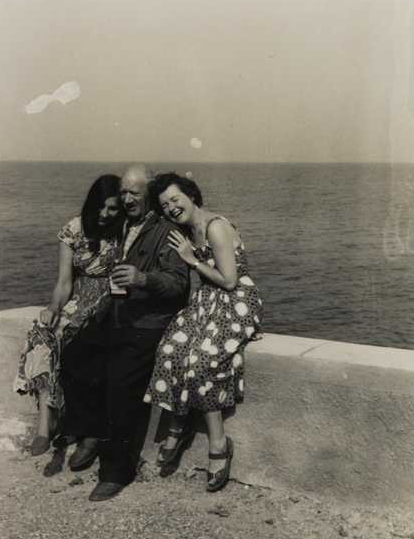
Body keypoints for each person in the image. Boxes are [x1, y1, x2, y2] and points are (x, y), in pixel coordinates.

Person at [59, 164, 191, 502]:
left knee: (120, 385)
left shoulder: (167, 230)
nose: (128, 198)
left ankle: (116, 471)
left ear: (149, 196)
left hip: (146, 323)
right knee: (73, 356)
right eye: (124, 192)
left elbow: (178, 282)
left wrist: (142, 278)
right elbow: (86, 226)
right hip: (114, 314)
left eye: (135, 193)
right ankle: (90, 433)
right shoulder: (121, 223)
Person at [144, 172, 263, 492]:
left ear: (191, 195)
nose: (170, 207)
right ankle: (178, 426)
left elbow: (229, 280)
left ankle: (219, 444)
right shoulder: (185, 229)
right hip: (207, 301)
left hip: (236, 301)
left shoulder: (216, 227)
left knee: (203, 358)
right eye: (164, 204)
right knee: (170, 349)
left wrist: (190, 259)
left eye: (175, 199)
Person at [14, 174, 124, 466]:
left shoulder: (123, 230)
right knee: (42, 335)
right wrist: (52, 308)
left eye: (112, 208)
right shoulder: (73, 229)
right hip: (78, 296)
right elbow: (64, 281)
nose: (105, 214)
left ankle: (78, 427)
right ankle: (45, 424)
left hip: (109, 301)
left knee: (79, 341)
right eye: (101, 207)